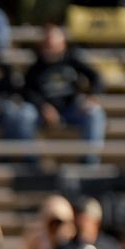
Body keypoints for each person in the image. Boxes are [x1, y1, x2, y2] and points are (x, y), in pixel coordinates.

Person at [14, 26, 106, 165]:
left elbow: (96, 77)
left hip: (71, 109)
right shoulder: (36, 66)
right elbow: (27, 92)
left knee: (95, 113)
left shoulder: (72, 60)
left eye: (53, 44)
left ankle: (90, 162)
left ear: (62, 44)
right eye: (47, 44)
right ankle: (31, 161)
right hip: (44, 113)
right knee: (24, 114)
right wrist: (43, 107)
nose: (50, 48)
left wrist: (91, 97)